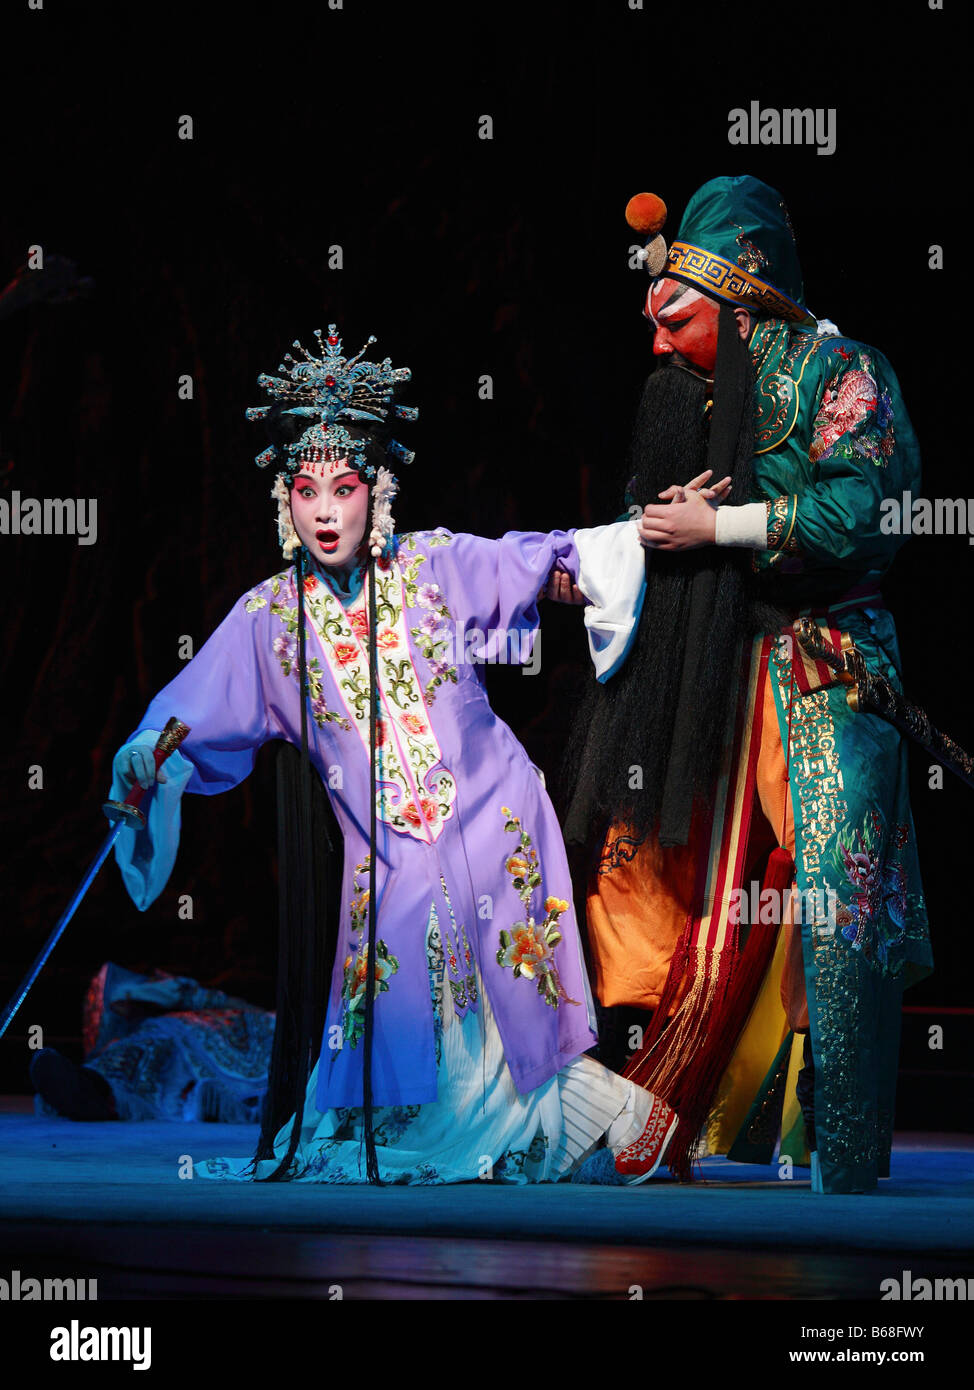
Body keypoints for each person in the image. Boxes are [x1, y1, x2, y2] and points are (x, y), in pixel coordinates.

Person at [107, 324, 702, 1186]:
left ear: (375, 494)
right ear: (284, 502)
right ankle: (619, 1115)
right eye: (304, 490)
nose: (322, 511)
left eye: (342, 489)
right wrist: (143, 762)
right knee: (420, 1062)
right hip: (384, 859)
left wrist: (636, 537)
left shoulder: (433, 568)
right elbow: (185, 719)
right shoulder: (271, 622)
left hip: (494, 818)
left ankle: (602, 1114)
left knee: (501, 1020)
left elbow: (541, 563)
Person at [564, 177, 931, 1195]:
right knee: (673, 890)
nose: (654, 343)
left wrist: (718, 526)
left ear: (743, 298)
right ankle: (662, 1114)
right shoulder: (693, 393)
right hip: (712, 678)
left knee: (833, 898)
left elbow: (863, 515)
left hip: (821, 669)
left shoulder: (840, 372)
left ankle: (835, 1151)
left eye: (672, 319)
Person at [30, 960, 274, 1123]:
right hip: (175, 1036)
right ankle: (93, 1090)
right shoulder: (125, 987)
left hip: (184, 1037)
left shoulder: (122, 987)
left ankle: (96, 1093)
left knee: (139, 1061)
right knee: (130, 1060)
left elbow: (195, 996)